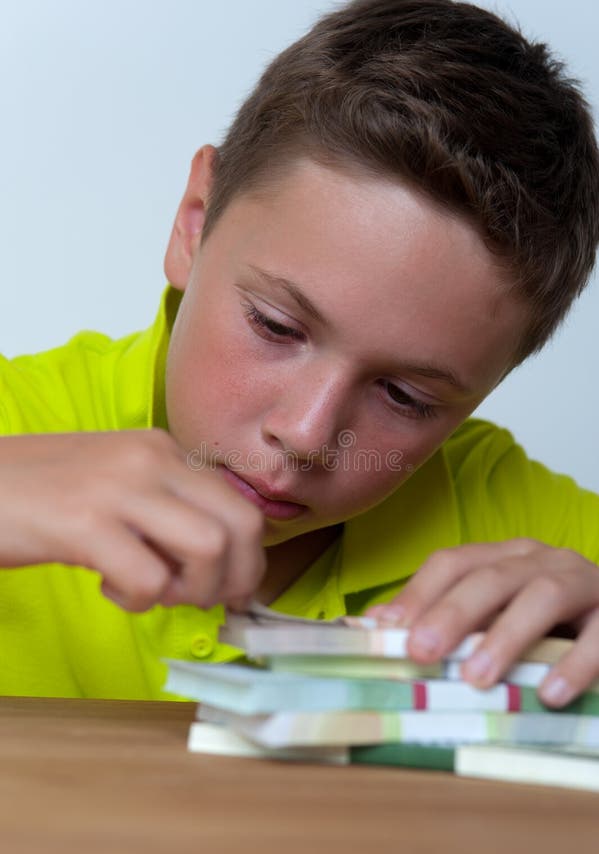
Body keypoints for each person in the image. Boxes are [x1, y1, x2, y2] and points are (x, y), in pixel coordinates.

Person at [1, 0, 598, 703]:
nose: (307, 434)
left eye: (406, 398)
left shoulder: (536, 541)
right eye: (276, 327)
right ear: (195, 223)